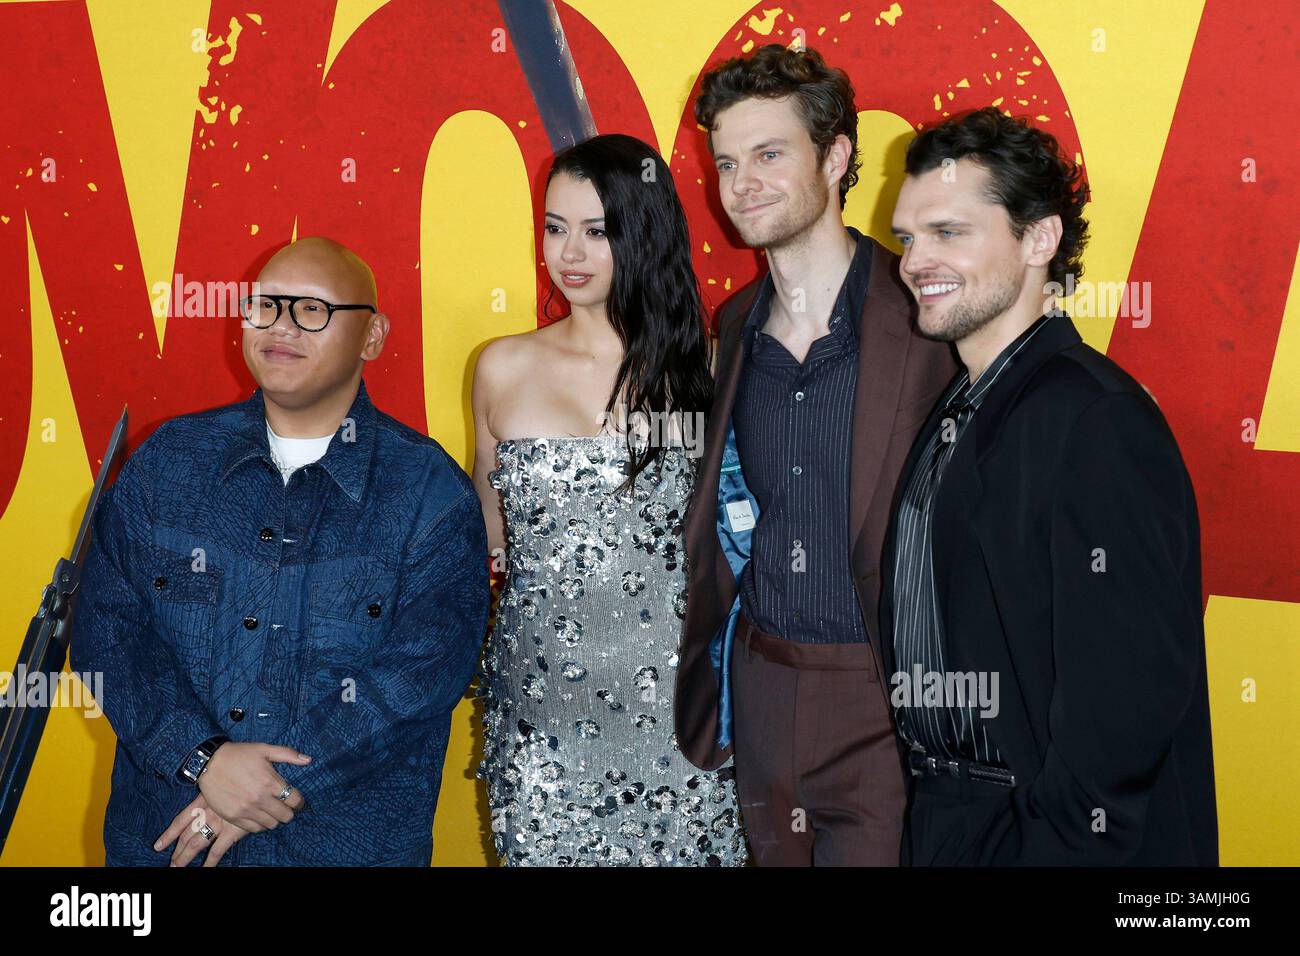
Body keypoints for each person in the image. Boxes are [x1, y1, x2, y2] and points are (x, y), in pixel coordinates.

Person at [70, 236, 490, 866]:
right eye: (265, 306)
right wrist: (202, 758)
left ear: (372, 336)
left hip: (345, 846)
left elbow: (418, 680)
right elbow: (105, 631)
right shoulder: (167, 464)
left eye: (312, 311)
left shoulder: (429, 495)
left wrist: (264, 790)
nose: (281, 327)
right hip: (163, 842)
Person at [882, 107, 1218, 865]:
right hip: (945, 822)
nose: (914, 260)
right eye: (908, 237)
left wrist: (1048, 847)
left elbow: (1125, 706)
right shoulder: (960, 405)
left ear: (1039, 239)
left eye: (949, 232)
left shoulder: (1095, 419)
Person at [674, 44, 958, 866]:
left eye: (769, 154)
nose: (741, 184)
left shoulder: (929, 315)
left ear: (835, 157)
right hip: (762, 685)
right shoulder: (730, 330)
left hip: (886, 695)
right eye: (726, 162)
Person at [471, 133, 747, 866]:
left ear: (645, 234)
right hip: (541, 726)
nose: (570, 253)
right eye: (556, 227)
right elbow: (489, 538)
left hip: (686, 721)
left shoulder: (712, 371)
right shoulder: (502, 367)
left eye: (598, 231)